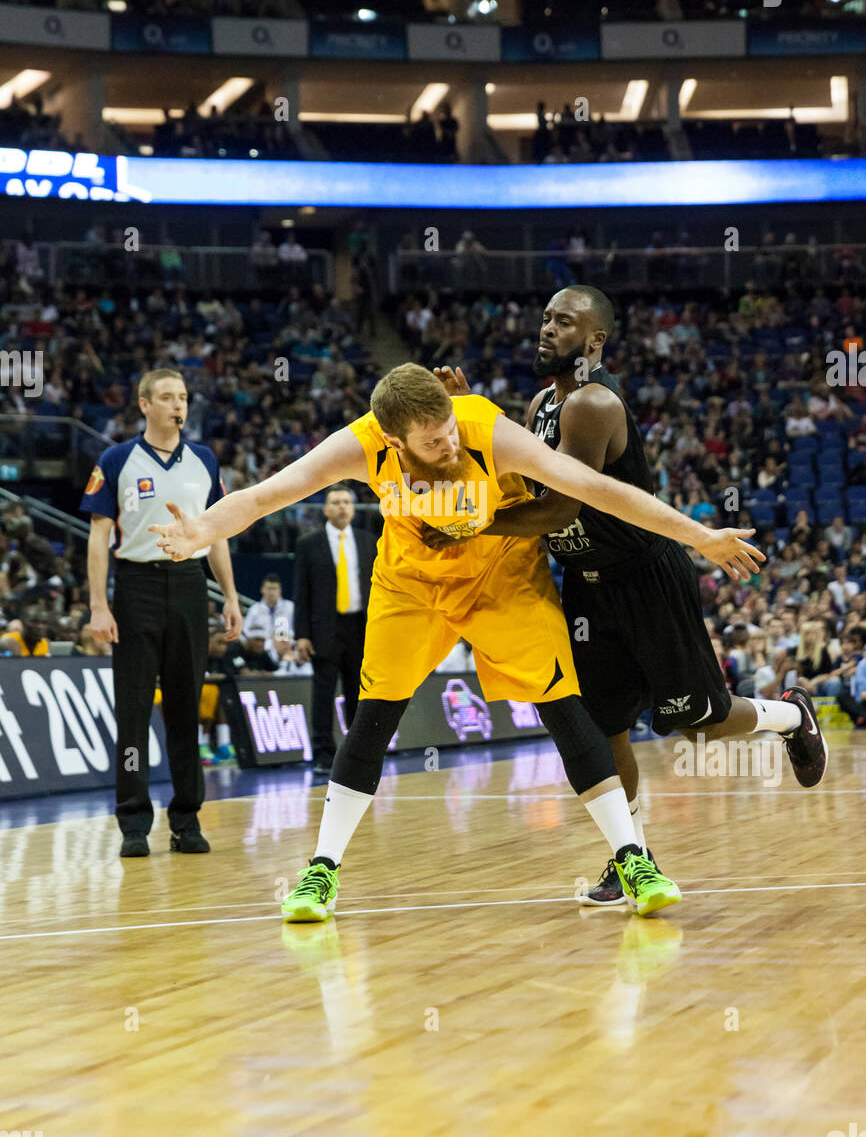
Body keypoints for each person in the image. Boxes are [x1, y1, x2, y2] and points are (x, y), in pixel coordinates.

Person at [151, 363, 762, 921]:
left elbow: (595, 488)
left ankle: (635, 860)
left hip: (501, 577)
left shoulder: (483, 428)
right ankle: (321, 872)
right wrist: (203, 527)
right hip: (411, 585)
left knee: (562, 707)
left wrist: (698, 535)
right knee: (374, 716)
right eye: (432, 442)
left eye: (448, 429)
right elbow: (265, 496)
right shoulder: (361, 445)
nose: (448, 445)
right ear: (393, 441)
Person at [432, 286, 828, 909]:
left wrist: (471, 523)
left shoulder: (592, 403)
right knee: (605, 725)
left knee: (697, 724)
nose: (546, 329)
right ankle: (631, 858)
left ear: (594, 341)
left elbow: (559, 504)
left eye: (563, 322)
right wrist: (466, 420)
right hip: (586, 587)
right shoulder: (540, 403)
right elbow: (516, 467)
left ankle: (790, 716)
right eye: (544, 318)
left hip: (644, 578)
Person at [81, 368, 242, 858]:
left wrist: (230, 595)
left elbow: (216, 533)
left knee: (184, 708)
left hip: (190, 585)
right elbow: (98, 536)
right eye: (168, 397)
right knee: (132, 710)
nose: (179, 405)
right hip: (136, 586)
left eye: (184, 397)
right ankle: (133, 823)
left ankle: (187, 820)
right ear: (144, 404)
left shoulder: (205, 460)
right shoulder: (115, 459)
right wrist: (98, 605)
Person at [293, 484, 377, 774]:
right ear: (326, 509)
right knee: (323, 694)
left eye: (346, 502)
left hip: (360, 627)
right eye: (335, 502)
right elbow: (301, 593)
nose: (341, 506)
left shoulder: (370, 542)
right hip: (324, 630)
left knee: (360, 695)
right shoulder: (308, 544)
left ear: (353, 509)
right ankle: (323, 755)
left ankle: (358, 756)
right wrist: (301, 634)